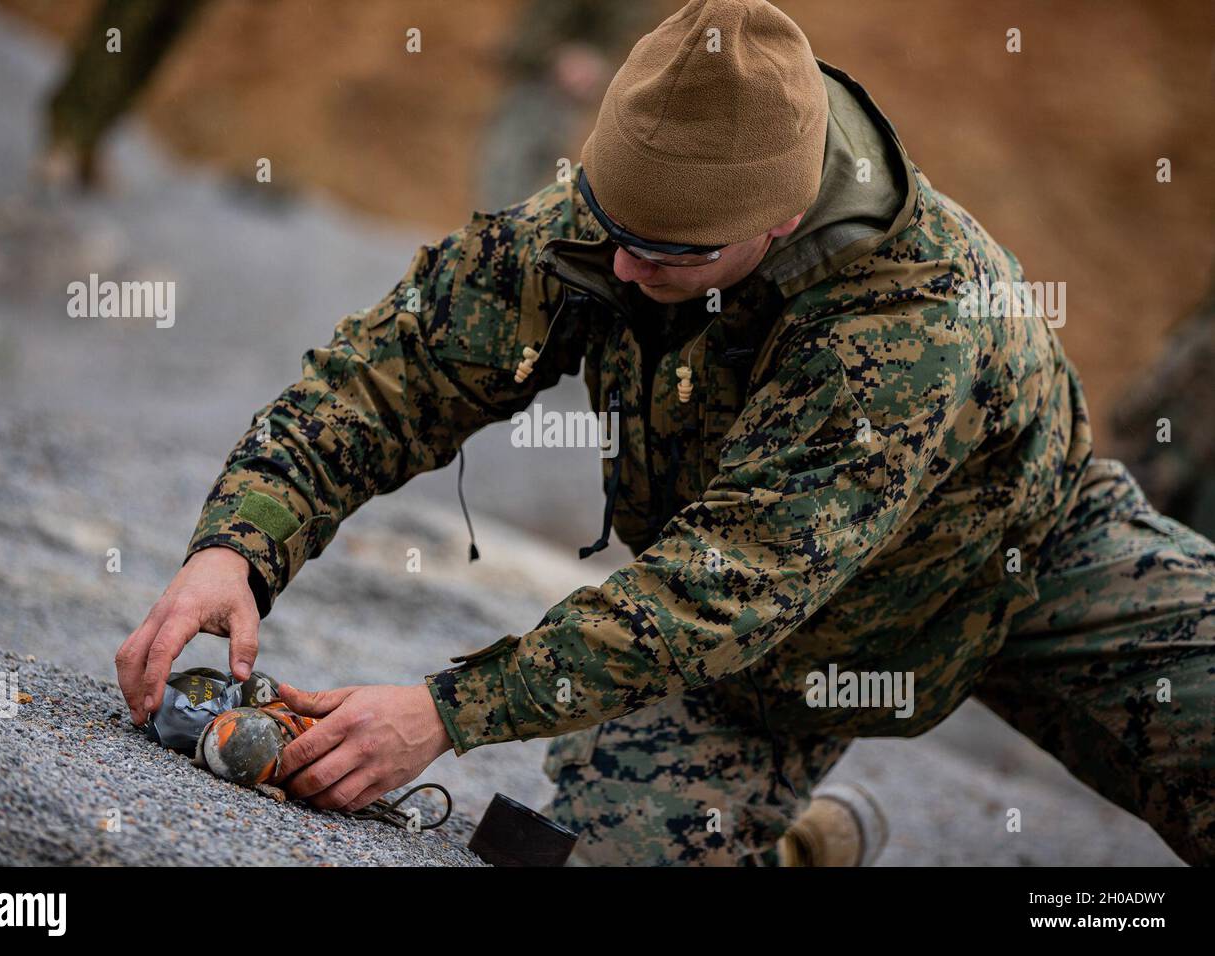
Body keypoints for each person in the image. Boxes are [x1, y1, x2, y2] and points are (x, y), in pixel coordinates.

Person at [115, 0, 1215, 866]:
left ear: (775, 222)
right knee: (595, 858)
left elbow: (726, 579)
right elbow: (394, 376)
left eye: (668, 253)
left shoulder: (912, 314)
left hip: (1015, 567)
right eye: (613, 228)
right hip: (772, 650)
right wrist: (238, 545)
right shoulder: (618, 223)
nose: (626, 268)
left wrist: (444, 712)